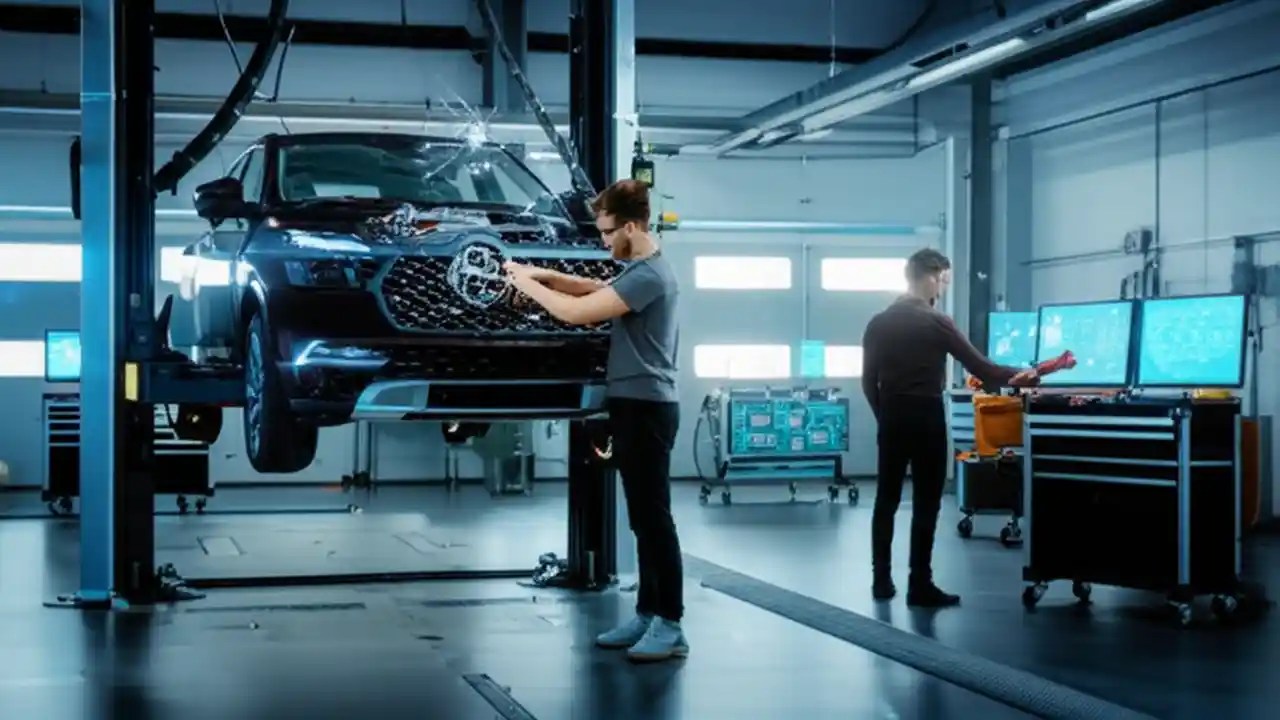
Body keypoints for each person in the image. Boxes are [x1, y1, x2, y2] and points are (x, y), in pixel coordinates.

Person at [503, 179, 686, 662]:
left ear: (630, 226)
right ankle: (649, 614)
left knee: (655, 521)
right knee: (643, 521)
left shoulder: (650, 276)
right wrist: (541, 272)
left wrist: (528, 289)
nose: (604, 242)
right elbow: (597, 289)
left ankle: (671, 624)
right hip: (633, 404)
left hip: (647, 408)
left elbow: (579, 313)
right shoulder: (640, 269)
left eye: (607, 233)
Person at [861, 248, 1037, 607]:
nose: (942, 289)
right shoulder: (936, 322)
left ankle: (881, 581)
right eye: (943, 281)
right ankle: (919, 584)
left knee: (886, 499)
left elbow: (867, 381)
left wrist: (885, 417)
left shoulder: (878, 323)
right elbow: (983, 370)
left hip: (892, 414)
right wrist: (1027, 374)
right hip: (925, 416)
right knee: (927, 502)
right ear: (933, 275)